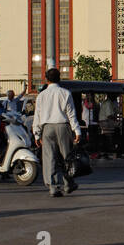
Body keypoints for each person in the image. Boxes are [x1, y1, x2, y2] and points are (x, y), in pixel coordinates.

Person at [33, 67, 82, 197]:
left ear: (46, 79)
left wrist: (36, 134)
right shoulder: (65, 93)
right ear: (59, 79)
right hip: (63, 127)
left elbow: (37, 116)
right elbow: (71, 114)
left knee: (50, 158)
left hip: (47, 128)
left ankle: (53, 187)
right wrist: (77, 131)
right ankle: (68, 184)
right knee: (67, 157)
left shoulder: (41, 95)